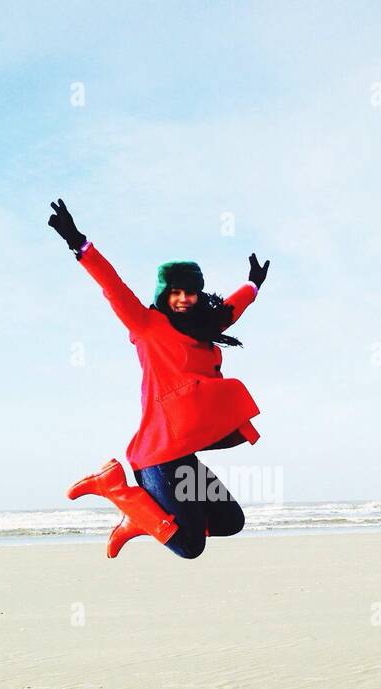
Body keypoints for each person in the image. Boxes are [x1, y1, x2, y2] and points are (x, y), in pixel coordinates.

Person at [49, 199, 270, 558]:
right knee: (189, 544)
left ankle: (143, 519)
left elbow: (231, 310)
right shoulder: (146, 325)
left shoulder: (203, 328)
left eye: (190, 292)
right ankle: (117, 490)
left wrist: (253, 285)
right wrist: (80, 244)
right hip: (157, 457)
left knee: (231, 521)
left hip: (182, 455)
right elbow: (113, 286)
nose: (183, 299)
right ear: (164, 293)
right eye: (175, 292)